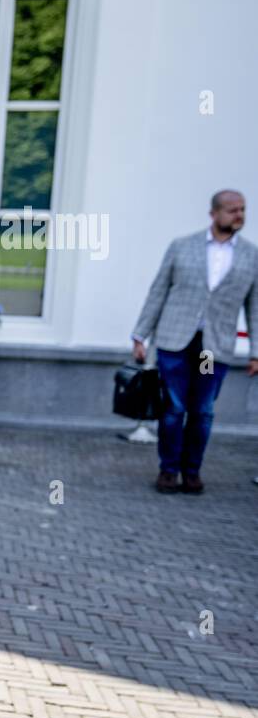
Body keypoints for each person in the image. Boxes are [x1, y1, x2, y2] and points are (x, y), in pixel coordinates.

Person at [132, 190, 258, 493]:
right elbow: (158, 291)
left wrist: (256, 352)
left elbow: (255, 307)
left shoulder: (251, 255)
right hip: (175, 340)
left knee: (202, 410)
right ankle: (168, 470)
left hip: (213, 347)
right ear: (213, 213)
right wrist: (140, 335)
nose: (238, 215)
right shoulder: (182, 246)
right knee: (173, 408)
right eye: (232, 210)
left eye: (242, 210)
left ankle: (192, 471)